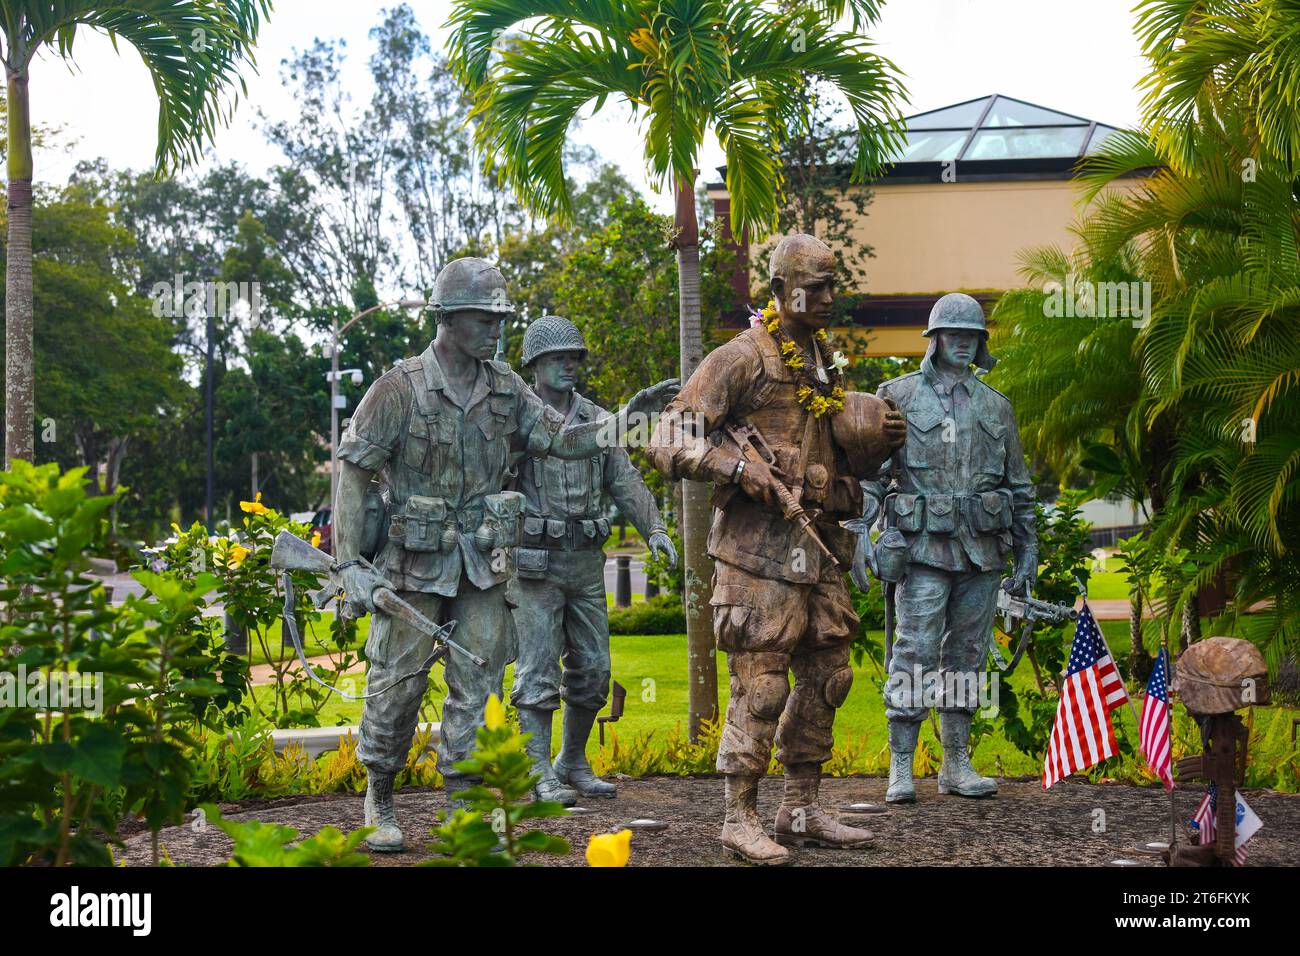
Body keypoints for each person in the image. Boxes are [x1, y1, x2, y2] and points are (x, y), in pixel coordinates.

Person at [333, 257, 677, 852]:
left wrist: (624, 422)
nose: (498, 330)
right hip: (413, 562)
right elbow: (352, 471)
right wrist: (346, 566)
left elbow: (562, 441)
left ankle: (463, 808)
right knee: (396, 682)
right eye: (486, 318)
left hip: (484, 564)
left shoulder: (505, 387)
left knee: (480, 683)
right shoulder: (399, 387)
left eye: (502, 319)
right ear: (447, 318)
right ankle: (380, 796)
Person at [647, 234, 905, 865]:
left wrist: (874, 436)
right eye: (814, 286)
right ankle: (739, 816)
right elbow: (664, 438)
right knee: (761, 686)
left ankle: (801, 805)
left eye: (831, 285)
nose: (827, 298)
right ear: (780, 288)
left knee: (830, 675)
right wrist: (734, 468)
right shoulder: (740, 359)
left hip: (817, 548)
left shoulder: (823, 363)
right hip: (755, 554)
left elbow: (834, 448)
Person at [854, 292, 1036, 804]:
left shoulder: (996, 406)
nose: (963, 343)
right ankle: (900, 768)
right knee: (913, 652)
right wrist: (860, 532)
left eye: (972, 336)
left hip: (981, 550)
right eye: (953, 334)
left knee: (967, 656)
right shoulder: (898, 396)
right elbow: (872, 478)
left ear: (981, 344)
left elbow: (1019, 488)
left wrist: (1027, 553)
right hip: (923, 551)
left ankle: (956, 763)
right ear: (933, 341)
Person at [509, 314, 678, 804]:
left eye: (574, 357)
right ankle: (536, 771)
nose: (569, 365)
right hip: (534, 563)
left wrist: (656, 529)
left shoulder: (599, 419)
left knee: (594, 669)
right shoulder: (517, 419)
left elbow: (624, 481)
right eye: (557, 358)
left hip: (584, 563)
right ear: (535, 364)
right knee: (536, 670)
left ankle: (572, 761)